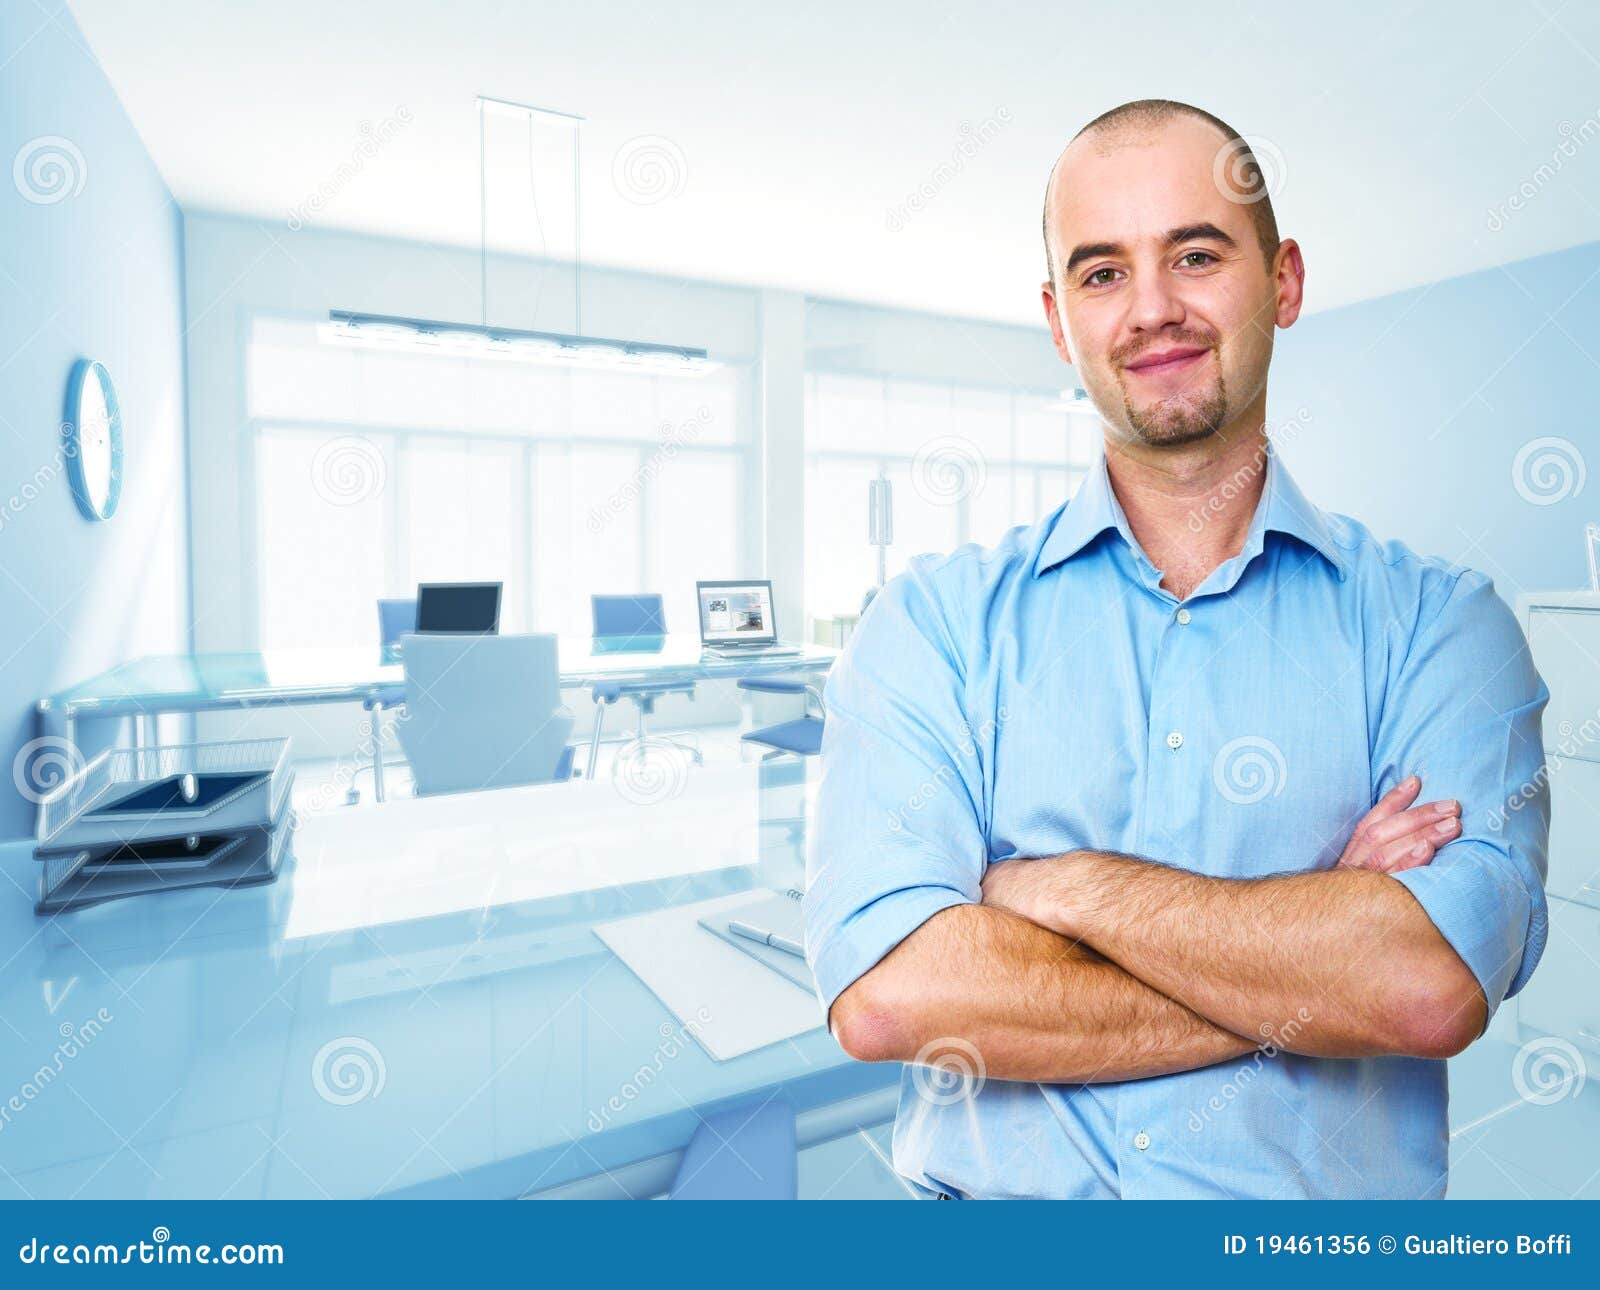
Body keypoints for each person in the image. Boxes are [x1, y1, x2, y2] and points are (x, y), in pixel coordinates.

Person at [803, 99, 1550, 1200]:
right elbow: (891, 996)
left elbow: (1423, 988)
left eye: (1194, 255)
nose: (1151, 310)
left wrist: (1062, 889)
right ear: (1060, 322)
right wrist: (1309, 937)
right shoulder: (930, 625)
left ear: (1282, 282)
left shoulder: (1443, 628)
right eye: (1102, 273)